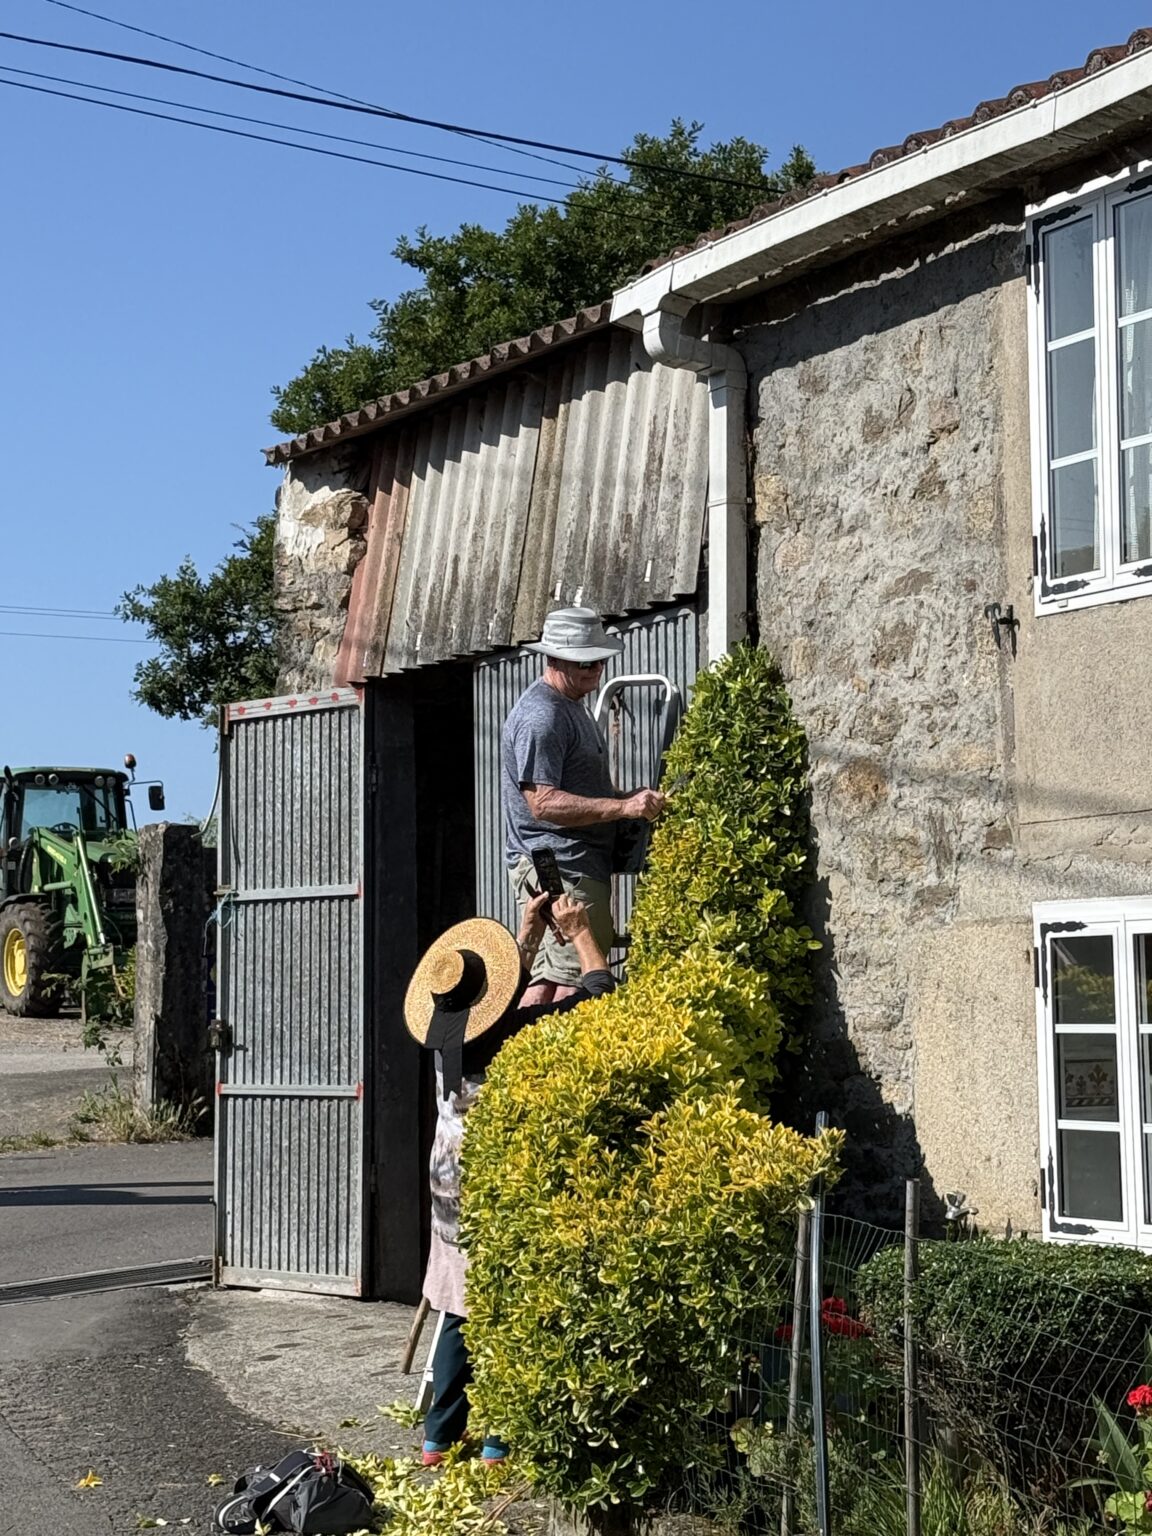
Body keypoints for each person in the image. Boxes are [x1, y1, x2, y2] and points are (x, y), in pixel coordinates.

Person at [403, 889, 615, 1467]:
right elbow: (600, 997)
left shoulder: (444, 1031)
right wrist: (580, 933)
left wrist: (527, 935)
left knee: (458, 1302)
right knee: (507, 1299)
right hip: (494, 1174)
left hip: (448, 1176)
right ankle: (498, 1438)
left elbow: (493, 997)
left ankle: (438, 1438)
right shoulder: (515, 1034)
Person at [502, 606, 665, 1003]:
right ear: (555, 659)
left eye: (600, 660)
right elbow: (543, 804)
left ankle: (516, 1042)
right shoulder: (543, 716)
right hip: (561, 865)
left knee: (550, 977)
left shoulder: (569, 703)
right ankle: (523, 1044)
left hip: (569, 863)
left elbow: (572, 790)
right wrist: (623, 809)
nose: (596, 670)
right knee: (572, 985)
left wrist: (624, 797)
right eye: (585, 662)